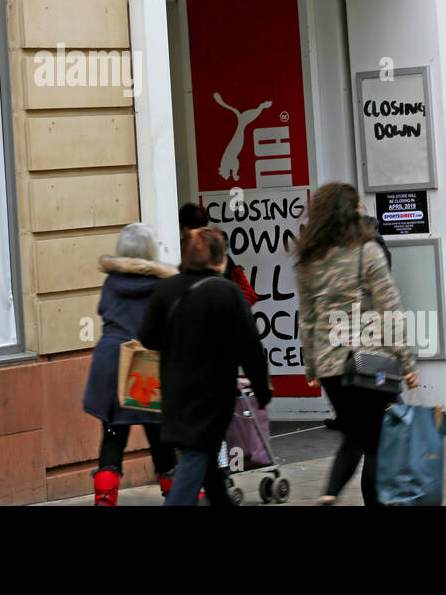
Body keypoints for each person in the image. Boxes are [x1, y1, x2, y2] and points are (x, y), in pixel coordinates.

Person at [295, 182, 417, 506]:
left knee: (354, 437)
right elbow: (390, 310)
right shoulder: (368, 252)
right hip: (369, 362)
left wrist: (311, 366)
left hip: (331, 366)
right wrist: (406, 362)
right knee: (376, 440)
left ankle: (329, 493)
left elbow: (306, 318)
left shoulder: (309, 260)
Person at [138, 227, 271, 506]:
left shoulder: (166, 289)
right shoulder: (227, 292)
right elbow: (250, 347)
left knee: (207, 465)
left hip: (174, 393)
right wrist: (261, 388)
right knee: (196, 456)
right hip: (213, 397)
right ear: (218, 259)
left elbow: (148, 338)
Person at [81, 223, 180, 505]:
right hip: (147, 365)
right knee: (160, 437)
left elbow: (104, 312)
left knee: (113, 436)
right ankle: (177, 497)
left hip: (112, 363)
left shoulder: (111, 282)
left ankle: (104, 499)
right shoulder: (164, 285)